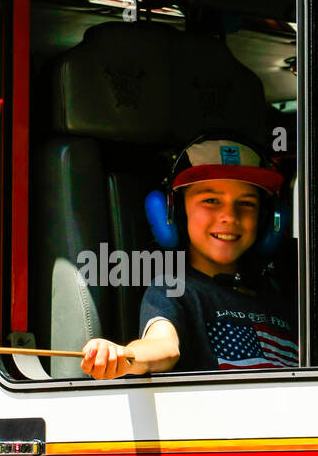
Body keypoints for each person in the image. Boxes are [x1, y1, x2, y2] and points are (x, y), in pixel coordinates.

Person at [81, 137, 297, 379]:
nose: (229, 216)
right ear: (174, 214)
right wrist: (124, 356)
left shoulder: (279, 292)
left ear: (269, 221)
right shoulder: (174, 289)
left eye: (246, 203)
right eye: (211, 200)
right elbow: (163, 346)